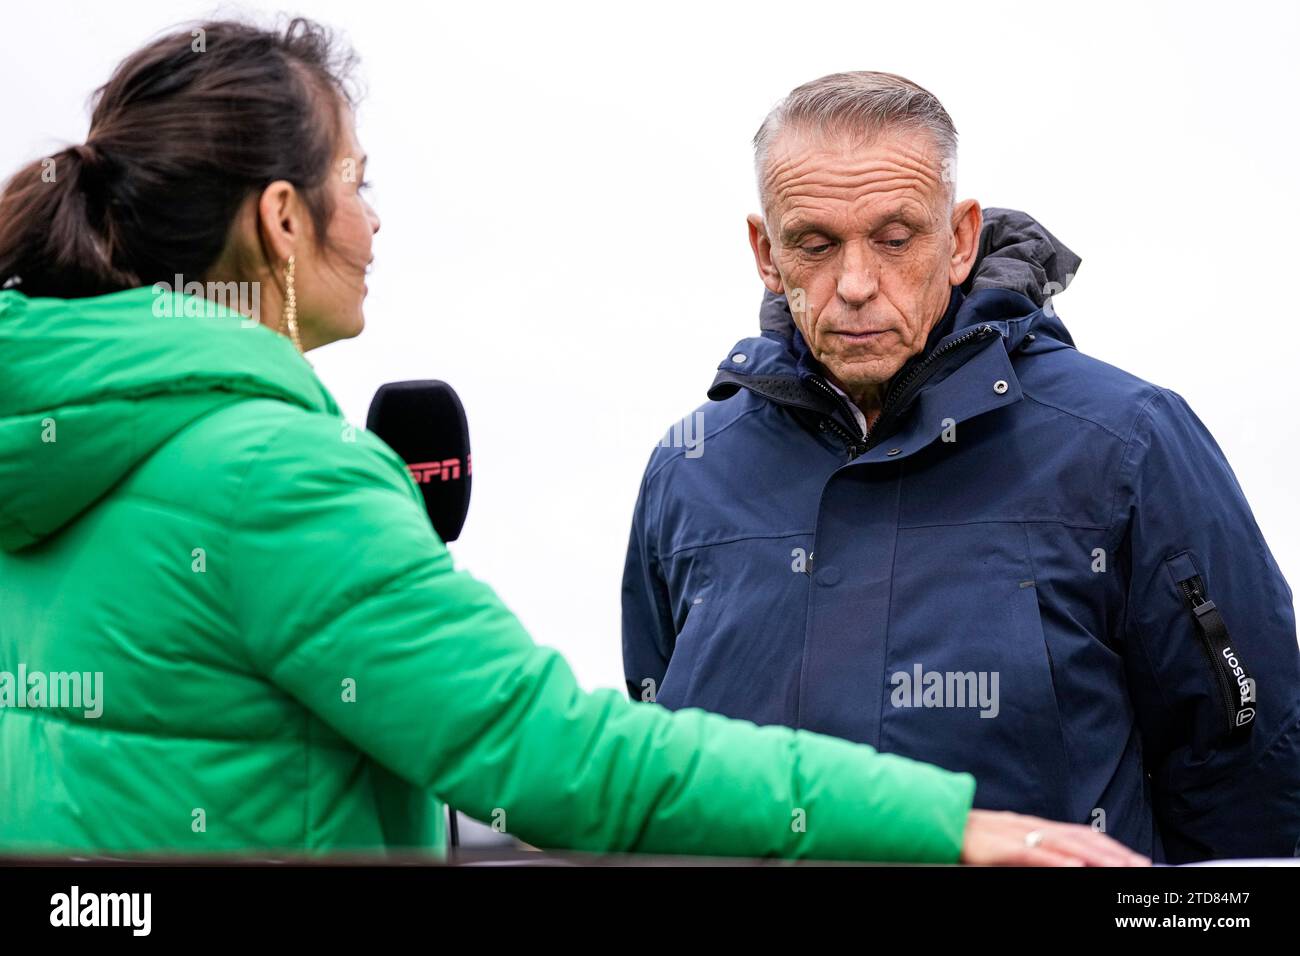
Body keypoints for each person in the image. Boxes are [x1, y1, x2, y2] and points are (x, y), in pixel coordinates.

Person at [0, 20, 1144, 867]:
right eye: (358, 180)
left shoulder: (43, 444)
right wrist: (945, 823)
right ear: (284, 219)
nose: (377, 216)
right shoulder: (271, 479)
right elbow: (558, 757)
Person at [621, 70, 1300, 863]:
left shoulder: (1127, 442)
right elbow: (662, 770)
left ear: (962, 238)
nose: (854, 285)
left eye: (895, 237)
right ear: (765, 253)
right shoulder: (687, 470)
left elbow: (1253, 779)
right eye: (815, 243)